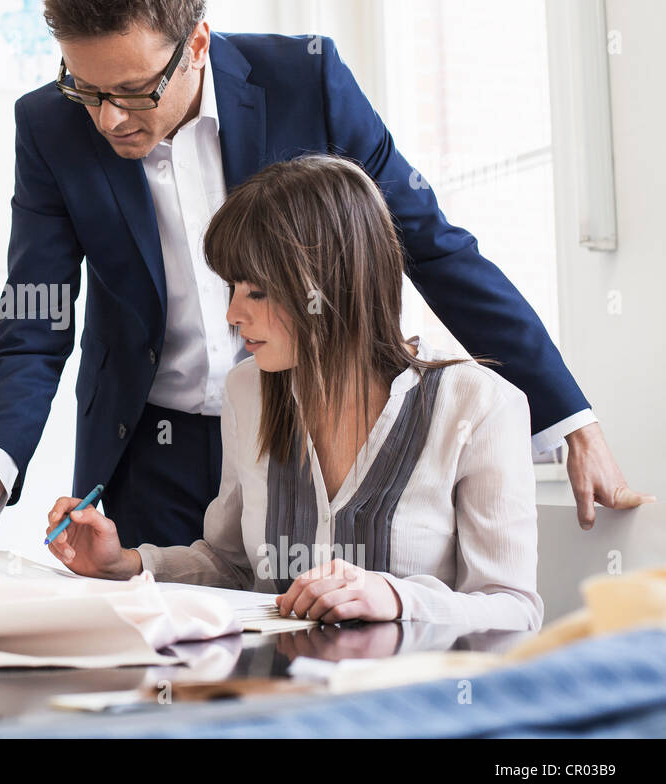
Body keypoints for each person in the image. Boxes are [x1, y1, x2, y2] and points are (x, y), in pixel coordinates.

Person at [0, 0, 651, 554]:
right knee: (173, 677)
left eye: (135, 90)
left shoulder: (308, 80)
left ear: (196, 42)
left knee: (301, 646)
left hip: (306, 432)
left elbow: (430, 244)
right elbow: (35, 320)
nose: (109, 118)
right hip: (151, 452)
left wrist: (567, 416)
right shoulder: (48, 126)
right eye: (86, 89)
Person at [46, 155, 542, 631]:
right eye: (232, 288)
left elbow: (513, 609)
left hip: (405, 702)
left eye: (256, 291)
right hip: (273, 691)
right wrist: (124, 563)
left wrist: (394, 598)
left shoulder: (480, 406)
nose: (232, 315)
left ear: (327, 286)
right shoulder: (247, 391)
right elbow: (232, 566)